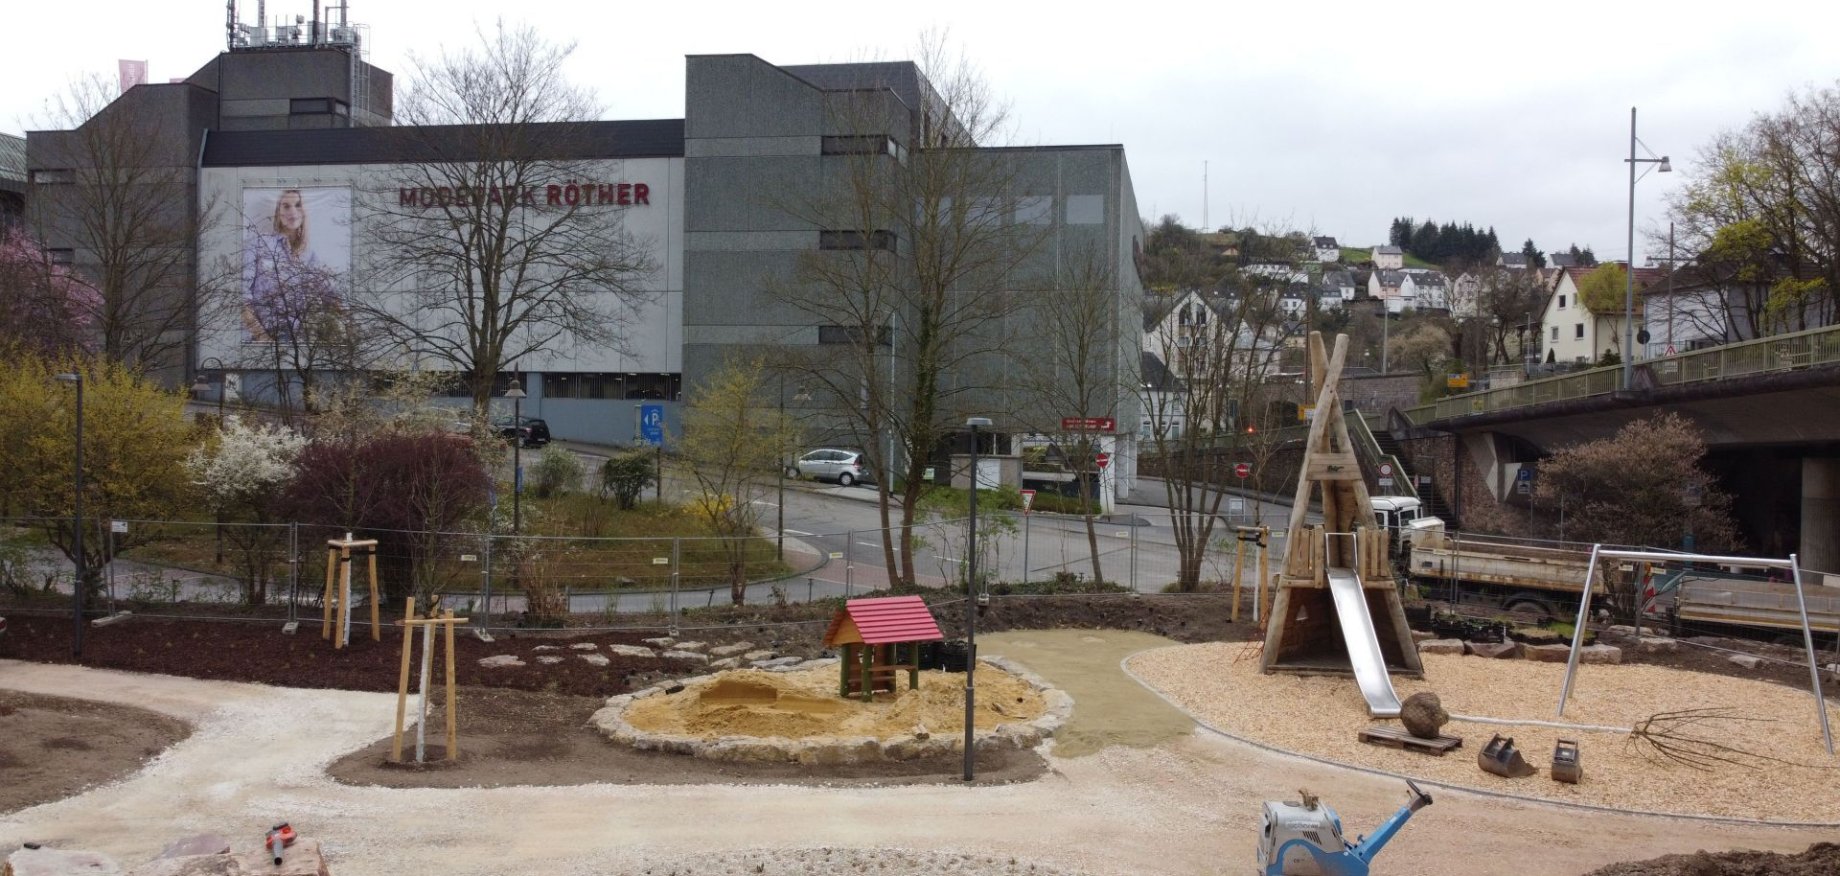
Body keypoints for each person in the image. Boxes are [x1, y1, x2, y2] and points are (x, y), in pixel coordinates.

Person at [243, 189, 339, 341]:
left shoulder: (310, 256)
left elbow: (332, 297)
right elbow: (242, 298)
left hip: (302, 339)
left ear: (304, 211)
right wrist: (263, 339)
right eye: (286, 206)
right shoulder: (259, 243)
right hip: (267, 337)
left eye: (298, 205)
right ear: (278, 211)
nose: (292, 211)